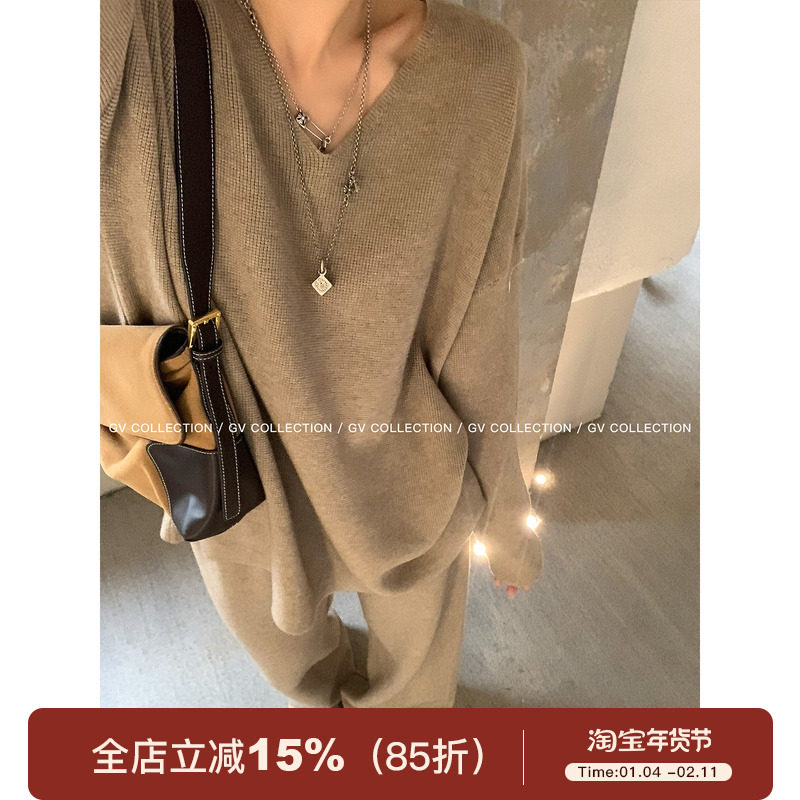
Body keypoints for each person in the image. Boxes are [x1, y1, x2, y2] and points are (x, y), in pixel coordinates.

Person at [100, 0, 543, 708]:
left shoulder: (480, 70)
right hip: (232, 487)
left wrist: (506, 518)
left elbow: (483, 321)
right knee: (303, 685)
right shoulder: (127, 36)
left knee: (414, 714)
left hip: (414, 490)